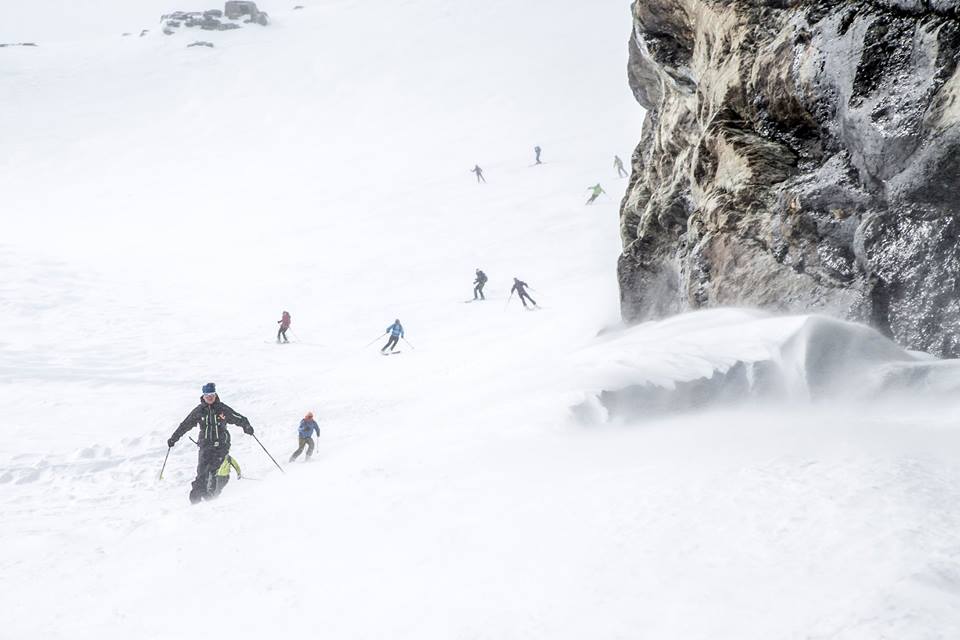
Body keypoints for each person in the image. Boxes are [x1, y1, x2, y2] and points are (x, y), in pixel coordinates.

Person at [167, 382, 255, 504]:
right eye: (207, 395)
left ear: (215, 394)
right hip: (205, 446)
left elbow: (238, 418)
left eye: (212, 394)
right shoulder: (199, 411)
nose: (210, 397)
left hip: (221, 446)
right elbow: (185, 425)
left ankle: (211, 501)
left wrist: (247, 426)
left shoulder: (222, 409)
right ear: (203, 396)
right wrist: (174, 438)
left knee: (213, 472)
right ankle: (195, 501)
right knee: (201, 474)